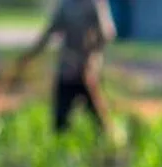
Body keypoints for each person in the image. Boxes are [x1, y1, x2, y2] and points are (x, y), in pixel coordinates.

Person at [7, 0, 116, 135]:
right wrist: (30, 56)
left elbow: (106, 35)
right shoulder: (66, 4)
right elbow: (50, 32)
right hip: (67, 70)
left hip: (87, 72)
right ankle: (64, 143)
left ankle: (111, 141)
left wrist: (89, 58)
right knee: (60, 120)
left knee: (98, 117)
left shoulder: (94, 4)